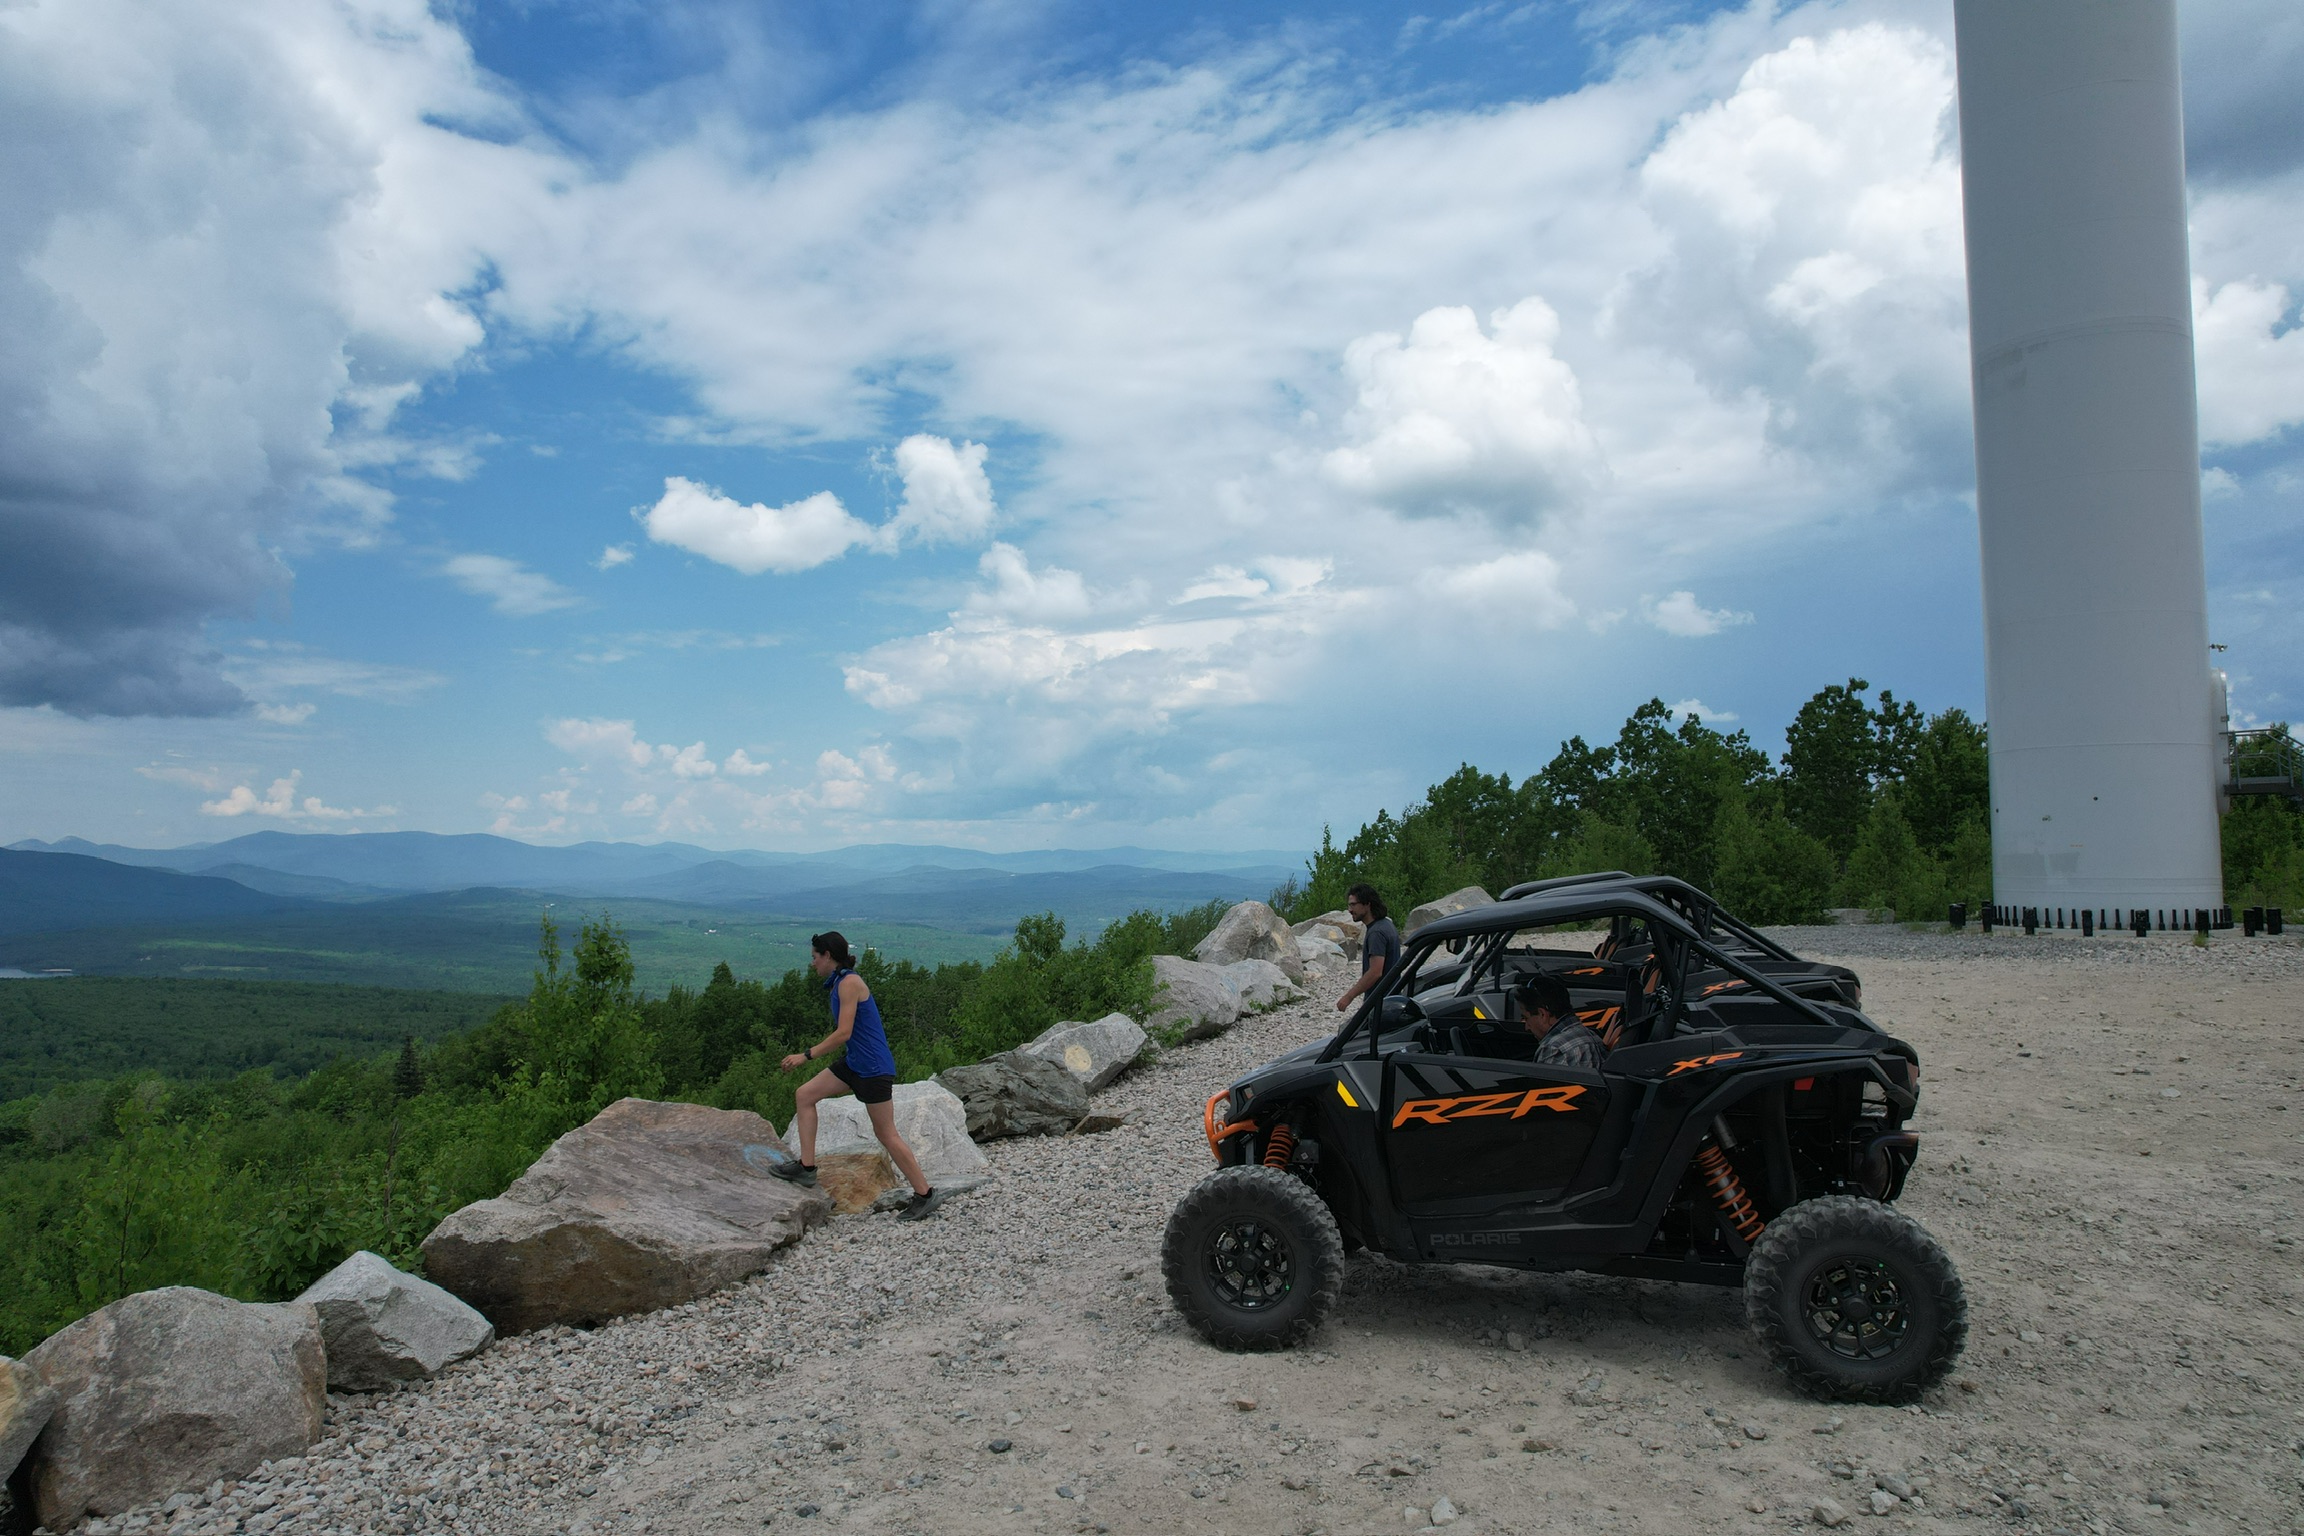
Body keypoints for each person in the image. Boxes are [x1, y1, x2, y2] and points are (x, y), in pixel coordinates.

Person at [773, 932, 946, 1221]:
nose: (812, 964)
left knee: (886, 1134)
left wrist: (805, 1055)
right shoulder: (840, 982)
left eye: (815, 957)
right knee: (805, 1095)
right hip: (855, 1064)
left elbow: (844, 1033)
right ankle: (806, 1168)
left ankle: (925, 1195)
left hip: (873, 1069)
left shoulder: (850, 983)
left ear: (828, 955)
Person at [1514, 972, 1607, 1070]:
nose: (1526, 1027)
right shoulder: (1590, 1034)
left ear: (1543, 1014)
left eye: (1526, 1018)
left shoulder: (1555, 1049)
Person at [1335, 883, 1402, 1013]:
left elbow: (1375, 972)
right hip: (1391, 998)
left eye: (1353, 905)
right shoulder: (1386, 924)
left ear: (1367, 904)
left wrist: (1348, 997)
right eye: (1349, 905)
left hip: (1382, 1004)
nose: (1349, 910)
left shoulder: (1376, 933)